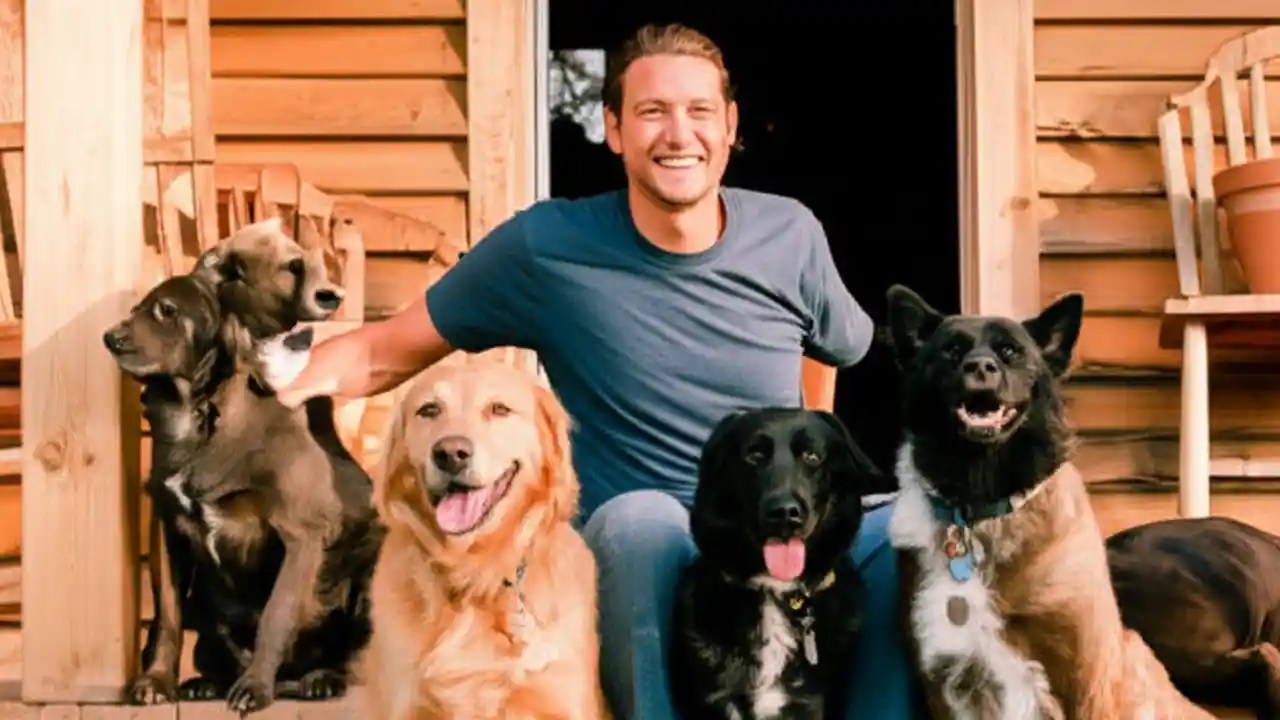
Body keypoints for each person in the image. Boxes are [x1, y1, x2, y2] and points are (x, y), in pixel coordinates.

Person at [264, 22, 922, 720]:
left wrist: (805, 455)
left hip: (762, 516)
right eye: (651, 112)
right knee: (646, 526)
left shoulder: (791, 233)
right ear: (611, 128)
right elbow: (380, 351)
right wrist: (269, 386)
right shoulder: (548, 247)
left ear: (730, 126)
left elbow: (834, 344)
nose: (679, 134)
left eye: (700, 111)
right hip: (641, 528)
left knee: (911, 526)